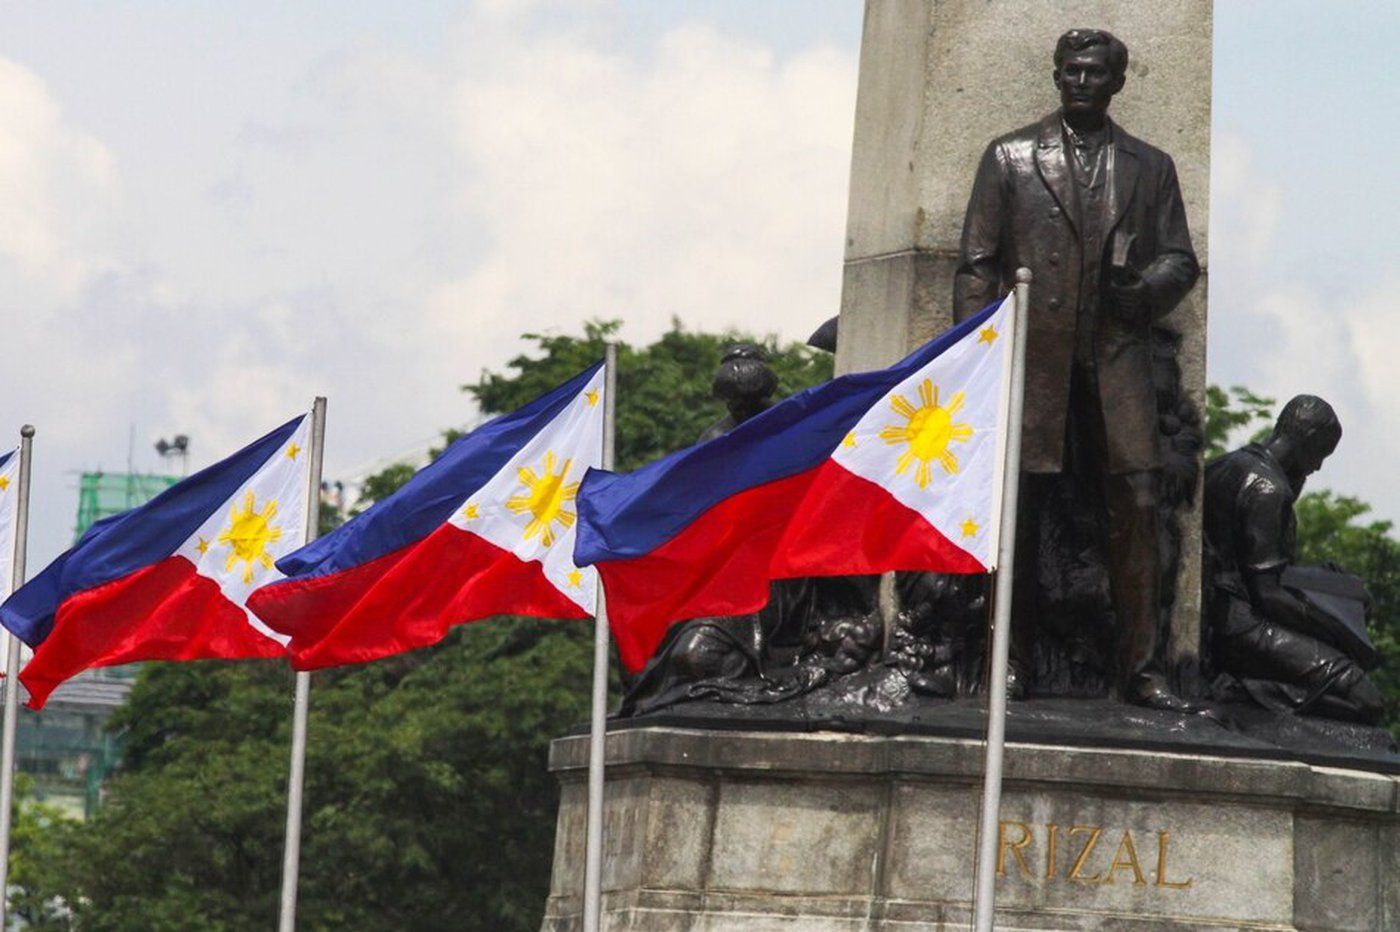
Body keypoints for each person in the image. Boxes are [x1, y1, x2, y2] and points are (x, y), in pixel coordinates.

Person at [953, 29, 1199, 710]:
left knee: (1139, 505)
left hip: (1118, 361)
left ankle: (1143, 668)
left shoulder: (1150, 167)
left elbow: (1180, 257)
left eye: (1093, 73)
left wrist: (1147, 291)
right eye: (1070, 72)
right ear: (1056, 77)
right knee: (1018, 512)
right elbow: (976, 267)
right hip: (1033, 360)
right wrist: (973, 360)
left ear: (1117, 82)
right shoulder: (1009, 157)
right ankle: (1008, 658)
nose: (1080, 83)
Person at [1203, 396, 1382, 724]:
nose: (1318, 467)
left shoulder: (1221, 466)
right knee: (1367, 701)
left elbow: (1255, 565)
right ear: (1309, 439)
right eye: (1321, 453)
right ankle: (1241, 698)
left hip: (1216, 619)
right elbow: (1268, 595)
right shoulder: (1270, 489)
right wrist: (1338, 629)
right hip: (1243, 628)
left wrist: (1322, 579)